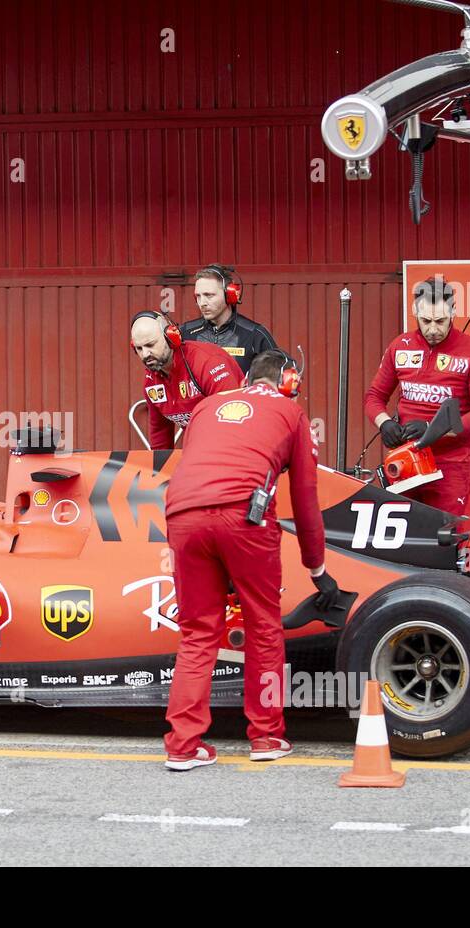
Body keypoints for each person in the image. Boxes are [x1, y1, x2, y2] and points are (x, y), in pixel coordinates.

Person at [161, 350, 338, 769]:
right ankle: (266, 736)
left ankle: (183, 746)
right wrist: (318, 568)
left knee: (198, 632)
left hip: (182, 515)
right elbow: (306, 499)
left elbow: (193, 466)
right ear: (289, 382)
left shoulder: (205, 406)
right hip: (246, 515)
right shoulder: (290, 412)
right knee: (263, 625)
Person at [363, 275, 470, 514]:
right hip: (405, 459)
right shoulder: (400, 346)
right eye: (426, 320)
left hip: (450, 464)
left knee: (442, 537)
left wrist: (433, 428)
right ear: (415, 311)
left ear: (454, 311)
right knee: (400, 537)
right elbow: (374, 397)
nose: (433, 329)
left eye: (441, 321)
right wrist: (384, 424)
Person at [130, 310, 243, 449]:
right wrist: (159, 469)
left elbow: (234, 420)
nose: (145, 354)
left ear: (171, 337)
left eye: (150, 345)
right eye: (139, 348)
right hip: (200, 451)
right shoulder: (151, 382)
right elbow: (160, 435)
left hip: (234, 447)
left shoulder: (209, 363)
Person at [179, 263, 277, 376]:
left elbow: (278, 375)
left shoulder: (254, 335)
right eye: (198, 296)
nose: (202, 303)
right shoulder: (185, 333)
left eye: (209, 295)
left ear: (229, 295)